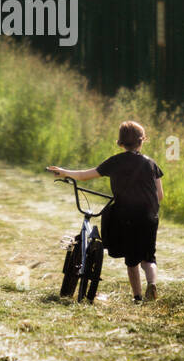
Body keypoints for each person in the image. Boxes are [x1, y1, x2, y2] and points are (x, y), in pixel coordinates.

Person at [47, 120, 164, 304]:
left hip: (126, 216)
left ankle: (138, 297)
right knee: (148, 258)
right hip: (149, 216)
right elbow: (160, 196)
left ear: (120, 142)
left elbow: (85, 175)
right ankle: (152, 283)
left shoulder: (115, 162)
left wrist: (64, 172)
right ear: (142, 141)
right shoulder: (151, 164)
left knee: (132, 261)